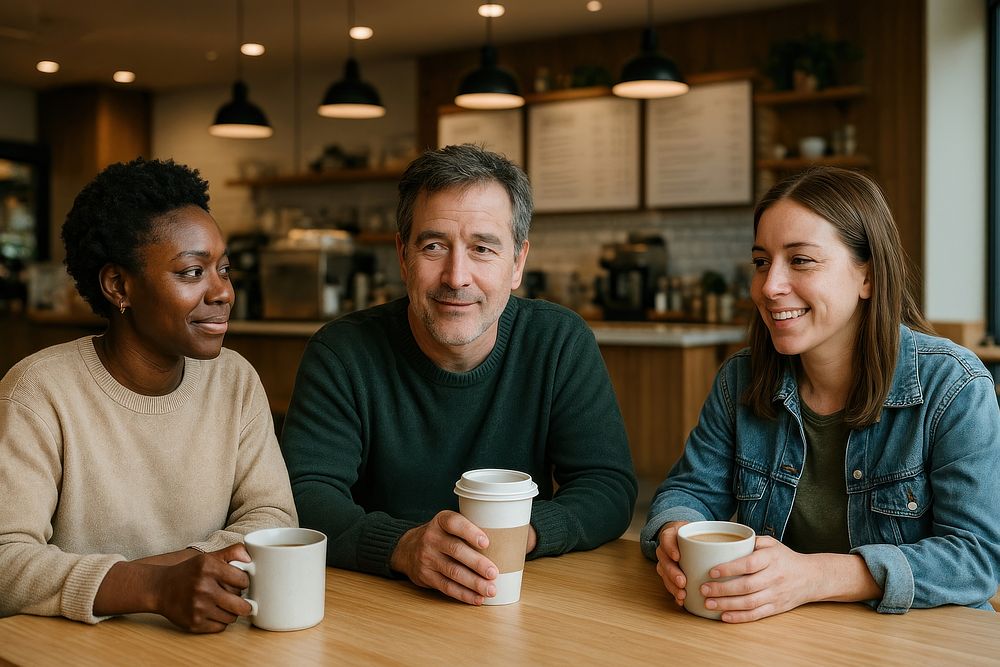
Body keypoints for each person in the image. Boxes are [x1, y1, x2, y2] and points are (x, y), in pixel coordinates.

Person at [281, 144, 637, 605]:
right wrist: (403, 546)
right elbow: (303, 494)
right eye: (434, 246)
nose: (456, 276)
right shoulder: (342, 351)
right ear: (403, 256)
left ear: (518, 263)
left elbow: (607, 486)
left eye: (483, 249)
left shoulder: (558, 341)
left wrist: (516, 537)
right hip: (374, 600)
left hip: (511, 592)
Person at [642, 166, 1000, 622]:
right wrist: (675, 532)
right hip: (778, 639)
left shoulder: (954, 387)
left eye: (801, 260)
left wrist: (816, 576)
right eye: (760, 262)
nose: (769, 287)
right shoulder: (741, 379)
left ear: (867, 276)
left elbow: (976, 559)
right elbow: (689, 490)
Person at [0, 158, 297, 632]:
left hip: (205, 641)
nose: (223, 292)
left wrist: (186, 573)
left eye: (223, 269)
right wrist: (156, 588)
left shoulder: (234, 378)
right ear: (120, 285)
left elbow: (273, 514)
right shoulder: (39, 391)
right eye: (192, 272)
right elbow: (6, 562)